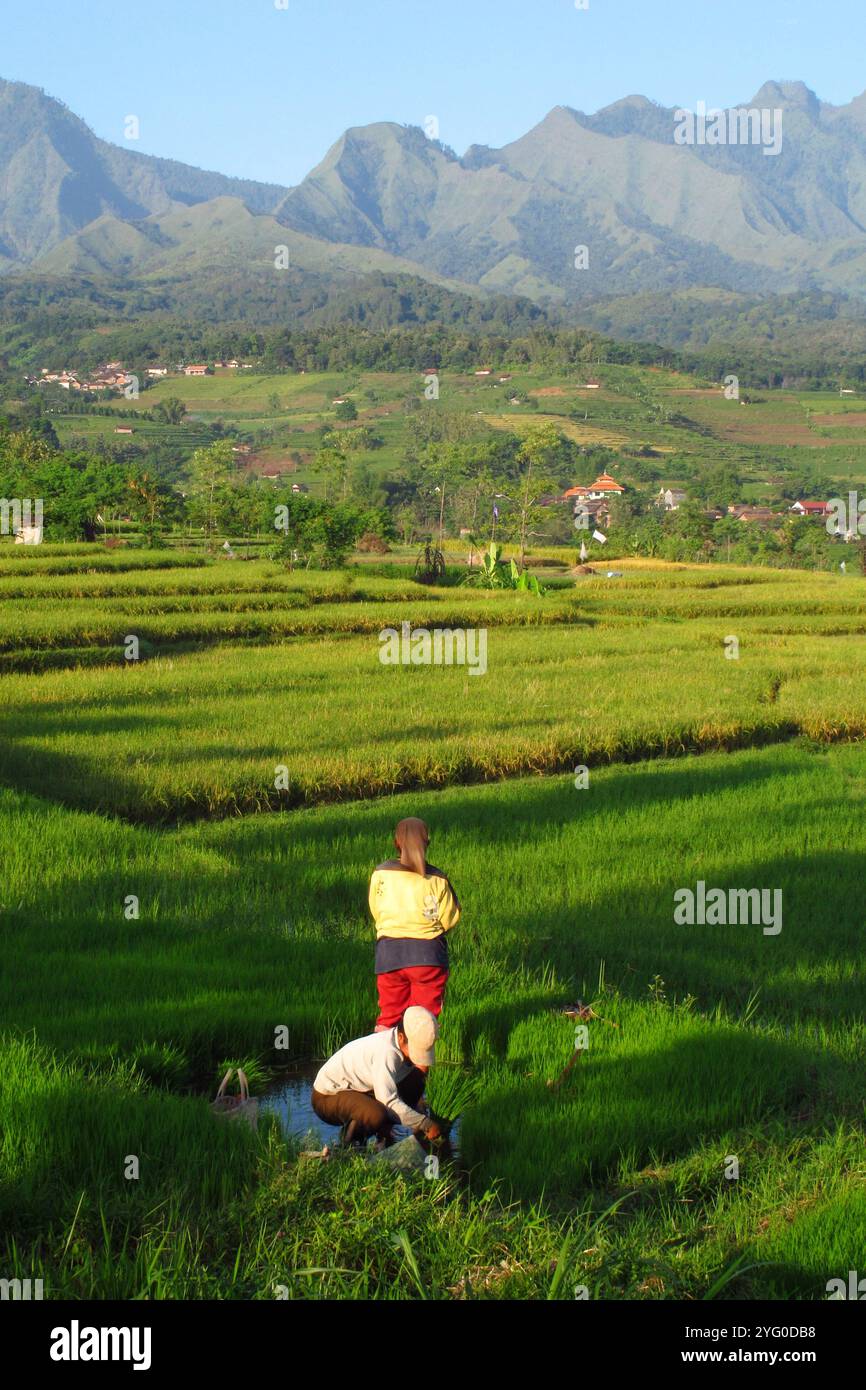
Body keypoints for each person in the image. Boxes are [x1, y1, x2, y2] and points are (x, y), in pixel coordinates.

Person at [369, 817, 460, 1032]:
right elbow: (450, 918)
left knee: (388, 1018)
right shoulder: (438, 878)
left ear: (396, 843)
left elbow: (376, 910)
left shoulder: (381, 874)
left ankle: (384, 1063)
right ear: (426, 842)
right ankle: (417, 1066)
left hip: (389, 956)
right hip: (428, 957)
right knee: (423, 1024)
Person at [311, 1006, 443, 1145]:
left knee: (415, 1081)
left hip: (360, 1090)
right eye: (415, 1049)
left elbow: (403, 1090)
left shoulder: (400, 1047)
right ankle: (350, 1146)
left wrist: (417, 1110)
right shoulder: (387, 1052)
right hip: (327, 1097)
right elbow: (388, 1101)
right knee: (375, 1115)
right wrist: (424, 1123)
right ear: (401, 1037)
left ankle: (383, 1134)